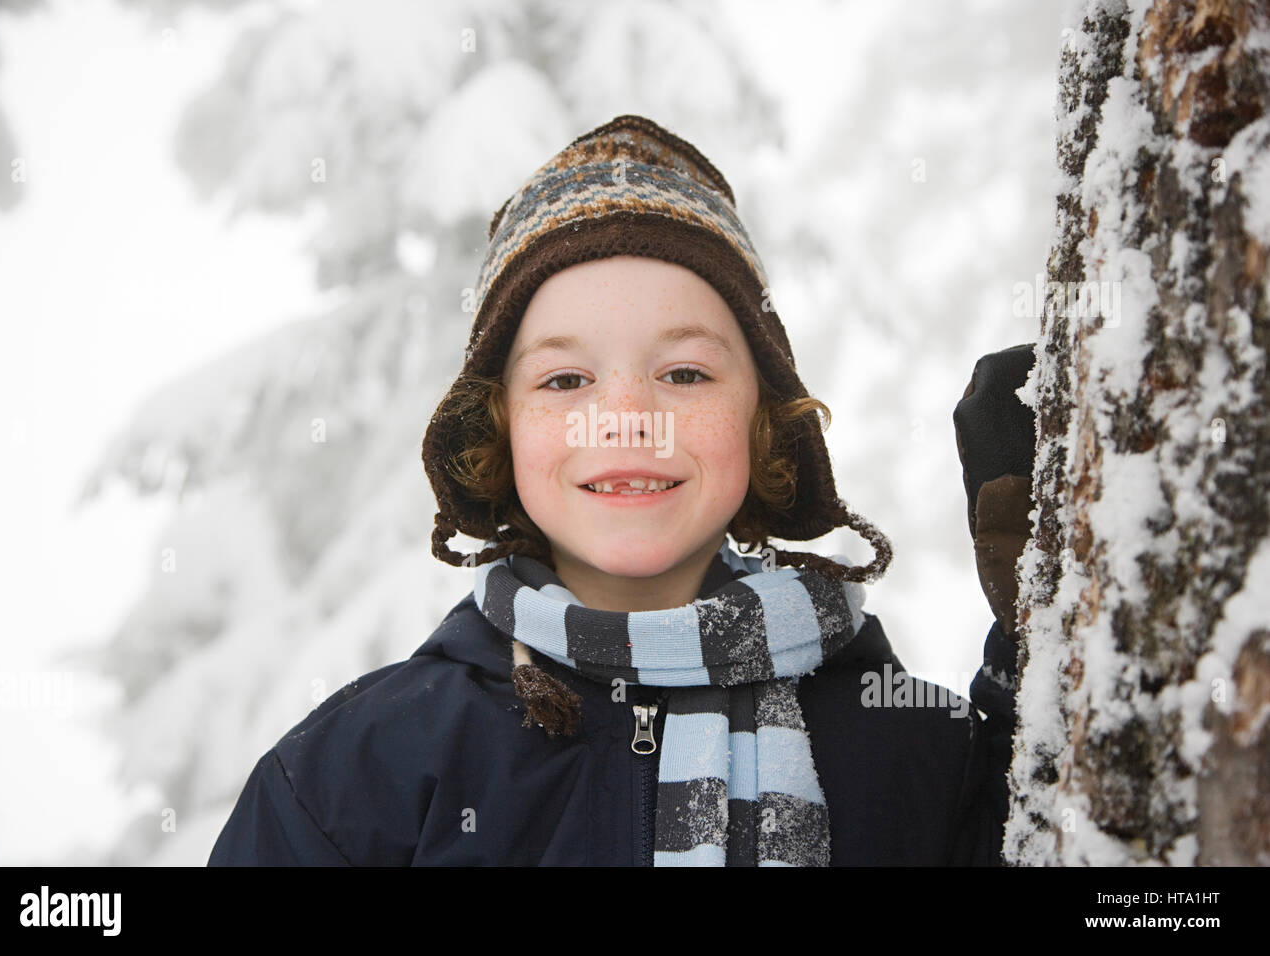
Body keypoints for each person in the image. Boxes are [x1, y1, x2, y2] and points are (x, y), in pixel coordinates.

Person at [207, 114, 1036, 867]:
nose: (627, 418)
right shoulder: (359, 772)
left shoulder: (917, 753)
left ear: (763, 422)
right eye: (566, 380)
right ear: (500, 429)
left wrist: (1042, 646)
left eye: (684, 372)